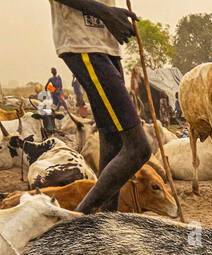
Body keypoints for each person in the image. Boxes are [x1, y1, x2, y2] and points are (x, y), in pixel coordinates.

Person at [48, 0, 152, 213]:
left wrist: (109, 16)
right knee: (138, 148)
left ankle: (104, 225)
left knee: (112, 140)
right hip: (83, 42)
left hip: (106, 45)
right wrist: (105, 13)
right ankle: (76, 223)